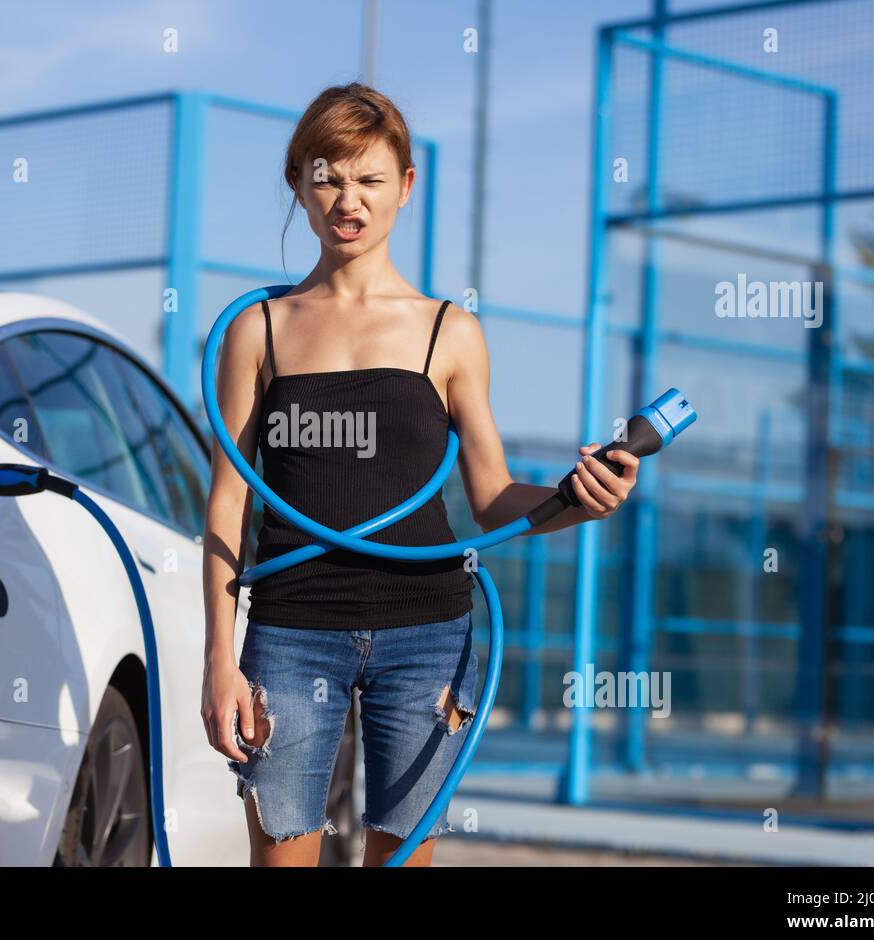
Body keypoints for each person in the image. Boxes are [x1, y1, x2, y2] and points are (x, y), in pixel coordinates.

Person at [200, 82, 639, 867]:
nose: (348, 198)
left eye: (370, 179)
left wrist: (584, 501)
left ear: (405, 186)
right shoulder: (257, 329)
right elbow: (229, 501)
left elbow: (494, 496)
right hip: (293, 632)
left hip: (426, 632)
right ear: (298, 182)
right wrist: (218, 658)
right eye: (327, 174)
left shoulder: (450, 332)